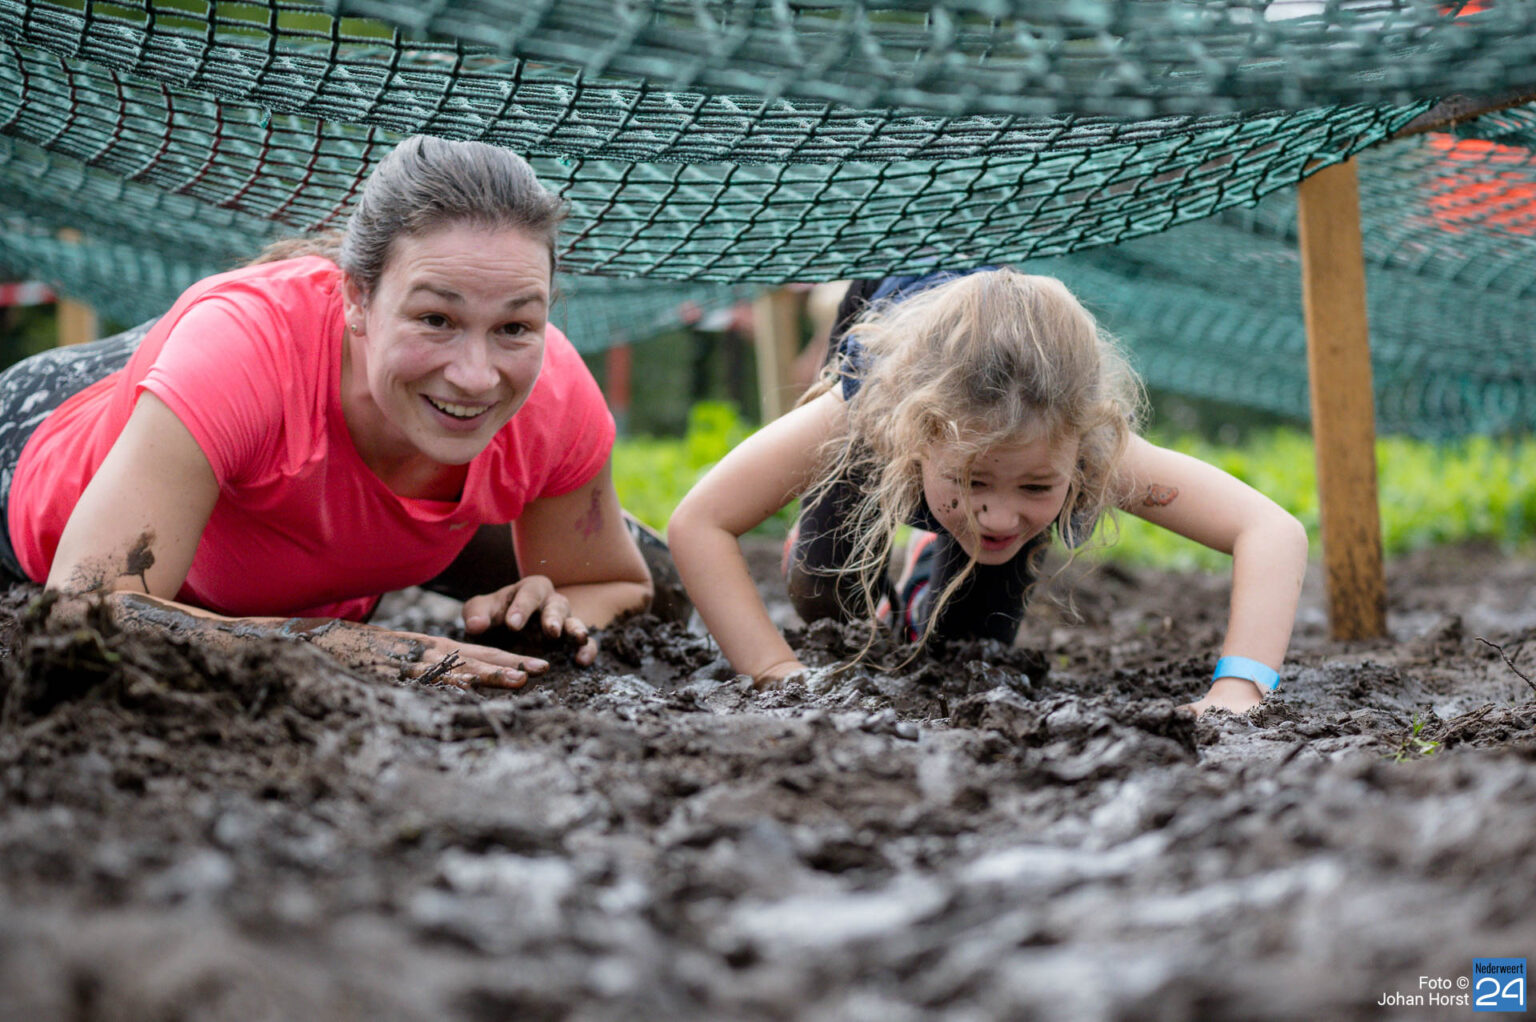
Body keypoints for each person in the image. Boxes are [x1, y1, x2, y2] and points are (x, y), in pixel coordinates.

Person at [0, 135, 656, 689]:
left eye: (514, 327)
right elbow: (80, 613)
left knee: (665, 580)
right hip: (45, 431)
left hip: (310, 482)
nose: (476, 375)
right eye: (436, 319)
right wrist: (346, 647)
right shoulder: (244, 356)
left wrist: (549, 609)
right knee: (220, 352)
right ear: (357, 299)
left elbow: (616, 586)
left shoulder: (550, 395)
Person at [667, 268, 1308, 715]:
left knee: (971, 653)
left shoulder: (1080, 434)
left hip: (999, 364)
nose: (999, 516)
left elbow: (1271, 530)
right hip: (894, 324)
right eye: (972, 481)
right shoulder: (869, 412)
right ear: (917, 437)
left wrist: (1240, 689)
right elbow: (699, 523)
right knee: (825, 591)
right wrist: (777, 675)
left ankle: (928, 566)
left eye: (1036, 485)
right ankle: (843, 539)